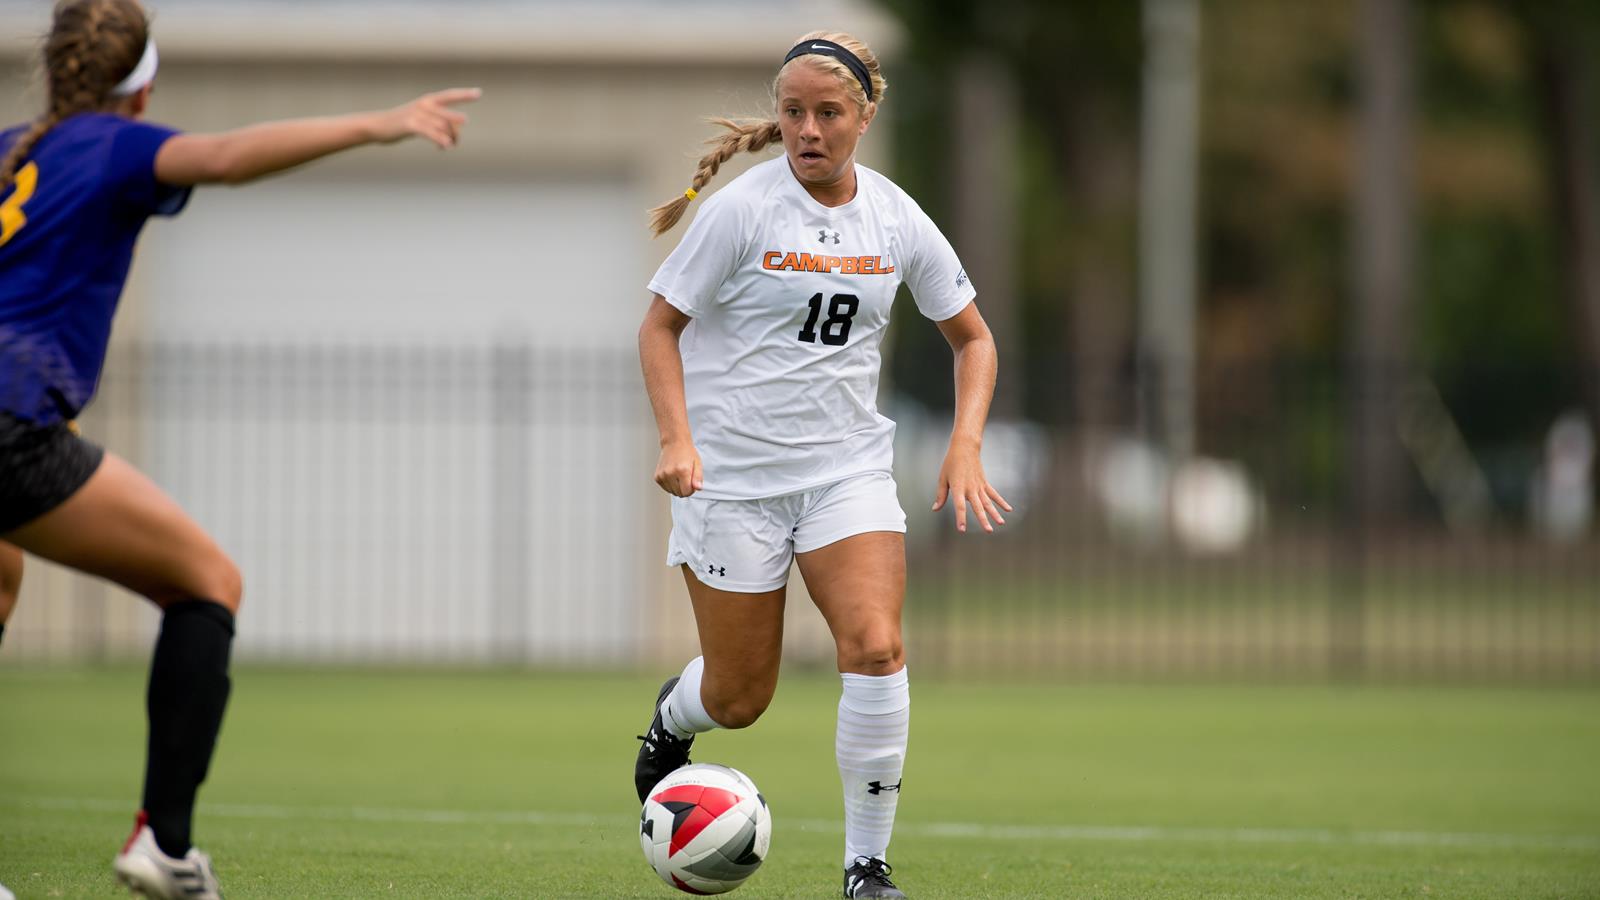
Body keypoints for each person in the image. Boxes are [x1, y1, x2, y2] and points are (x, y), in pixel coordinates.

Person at [0, 2, 478, 897]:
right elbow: (220, 158)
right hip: (10, 423)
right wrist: (381, 123)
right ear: (142, 86)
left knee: (3, 578)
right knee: (207, 583)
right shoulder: (113, 145)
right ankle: (166, 846)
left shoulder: (12, 149)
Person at [633, 31, 1010, 900]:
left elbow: (974, 339)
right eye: (793, 112)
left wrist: (964, 441)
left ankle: (866, 868)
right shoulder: (743, 210)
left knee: (877, 648)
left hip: (846, 473)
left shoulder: (895, 215)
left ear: (865, 118)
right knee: (738, 700)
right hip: (733, 482)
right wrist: (675, 440)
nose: (807, 130)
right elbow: (659, 327)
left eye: (827, 113)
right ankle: (671, 718)